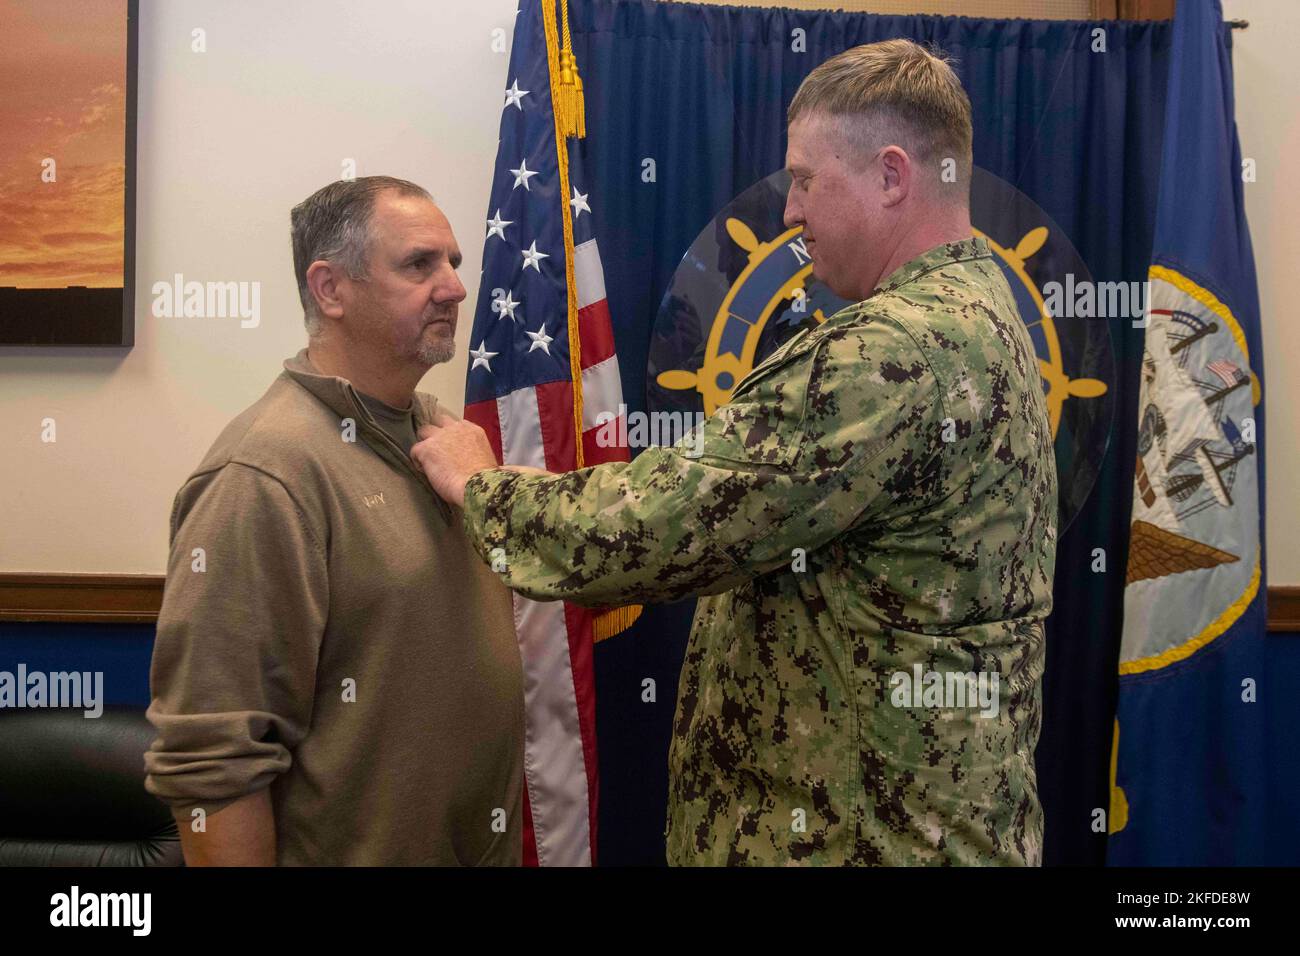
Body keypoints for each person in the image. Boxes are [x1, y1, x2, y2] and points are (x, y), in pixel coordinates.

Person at [410, 40, 1058, 865]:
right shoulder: (987, 309)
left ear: (894, 176)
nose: (791, 210)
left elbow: (656, 530)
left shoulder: (892, 351)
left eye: (805, 179)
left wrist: (481, 487)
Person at [145, 176, 524, 866]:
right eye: (419, 264)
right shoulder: (265, 473)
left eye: (454, 263)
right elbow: (212, 765)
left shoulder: (446, 441)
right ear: (330, 289)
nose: (455, 288)